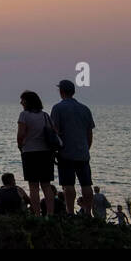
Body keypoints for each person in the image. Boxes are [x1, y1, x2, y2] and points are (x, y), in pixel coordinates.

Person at [51, 79, 95, 217]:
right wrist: (86, 148)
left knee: (68, 185)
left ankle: (70, 212)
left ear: (61, 91)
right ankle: (88, 212)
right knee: (86, 185)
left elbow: (55, 131)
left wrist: (54, 150)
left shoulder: (58, 108)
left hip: (66, 153)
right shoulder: (85, 108)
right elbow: (89, 133)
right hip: (83, 153)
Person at [16, 90, 55, 216]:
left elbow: (21, 134)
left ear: (27, 101)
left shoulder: (24, 115)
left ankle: (37, 214)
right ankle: (50, 214)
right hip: (46, 153)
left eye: (22, 100)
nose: (21, 102)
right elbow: (53, 132)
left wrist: (20, 145)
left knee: (33, 186)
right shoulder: (45, 115)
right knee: (46, 185)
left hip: (30, 152)